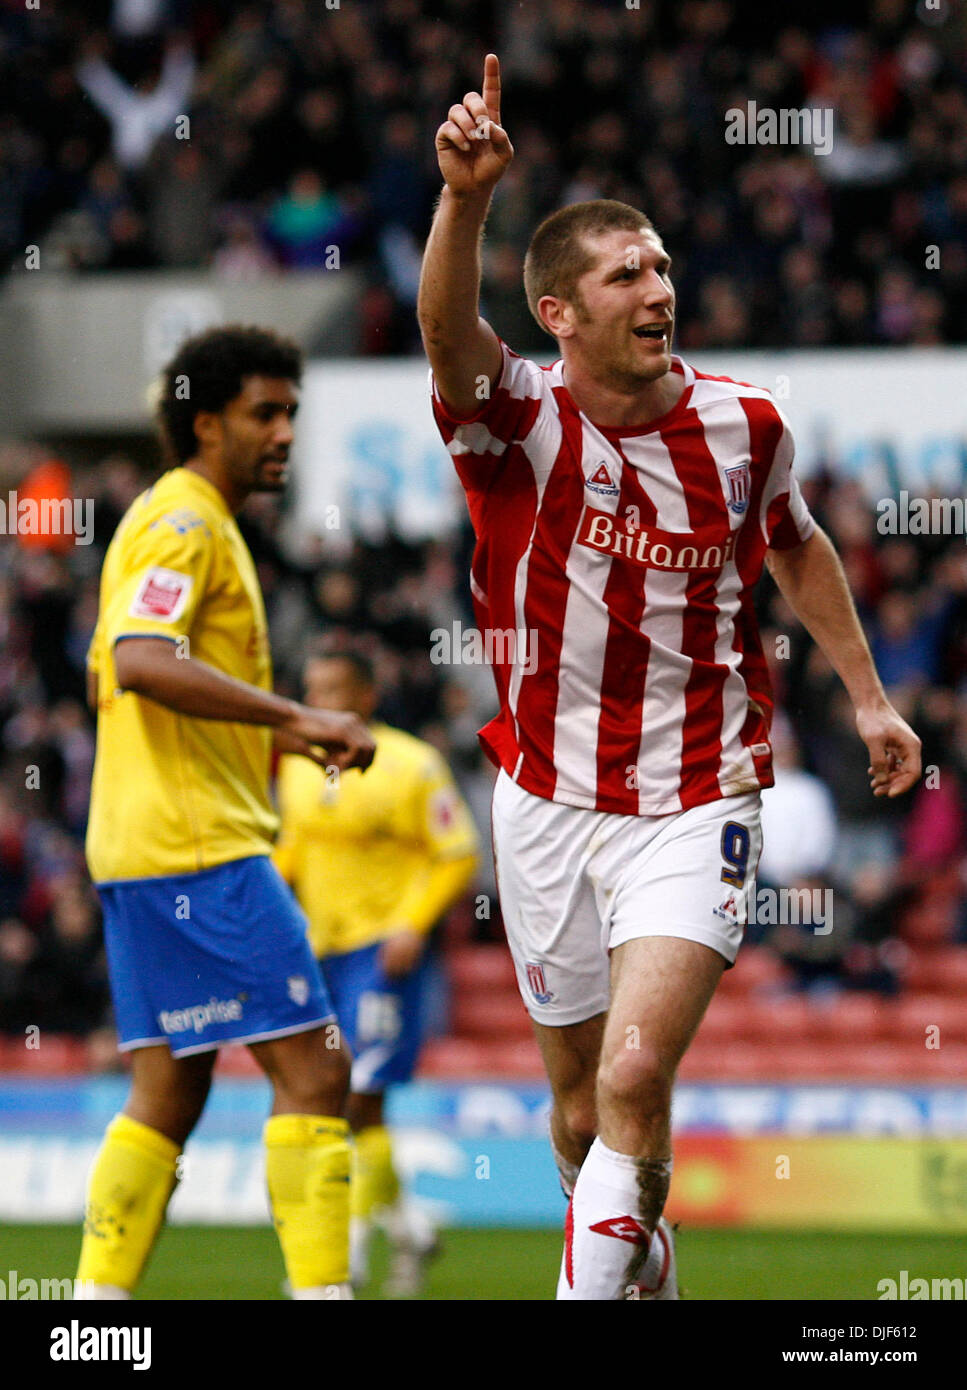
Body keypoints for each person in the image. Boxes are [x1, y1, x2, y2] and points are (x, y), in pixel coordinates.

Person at [418, 55, 922, 1301]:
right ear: (559, 314)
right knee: (582, 1115)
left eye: (661, 267)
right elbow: (441, 331)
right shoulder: (518, 425)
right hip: (544, 800)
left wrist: (864, 692)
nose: (660, 288)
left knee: (638, 1078)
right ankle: (645, 1274)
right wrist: (467, 200)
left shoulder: (745, 426)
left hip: (700, 792)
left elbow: (796, 545)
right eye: (624, 274)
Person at [78, 325, 375, 1301]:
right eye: (264, 412)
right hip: (199, 848)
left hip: (140, 846)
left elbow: (126, 687)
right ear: (205, 423)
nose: (285, 430)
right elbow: (141, 661)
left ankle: (92, 1311)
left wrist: (291, 739)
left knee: (170, 1088)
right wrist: (297, 710)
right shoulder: (188, 524)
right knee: (320, 1071)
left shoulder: (180, 522)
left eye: (291, 410)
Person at [274, 646, 479, 1295]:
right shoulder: (300, 766)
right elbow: (296, 848)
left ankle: (351, 1250)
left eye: (334, 688)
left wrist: (412, 924)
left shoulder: (412, 764)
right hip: (319, 950)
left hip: (381, 954)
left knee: (358, 1092)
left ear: (366, 695)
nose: (321, 701)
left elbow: (458, 852)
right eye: (312, 688)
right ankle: (411, 1226)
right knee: (354, 1105)